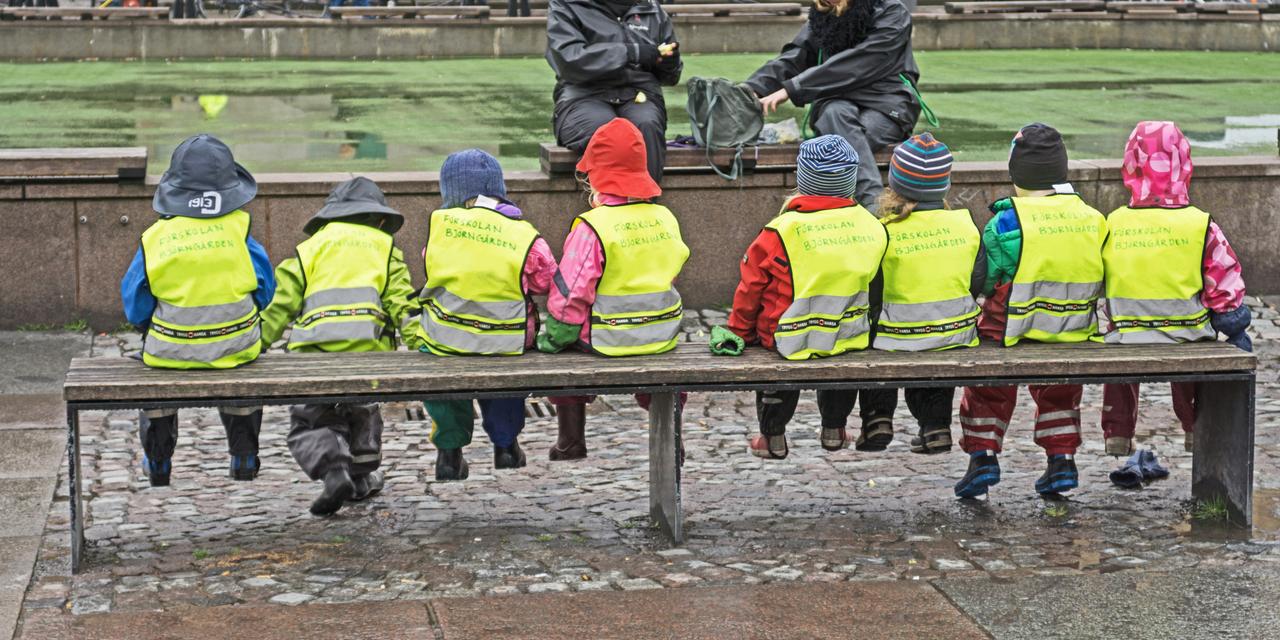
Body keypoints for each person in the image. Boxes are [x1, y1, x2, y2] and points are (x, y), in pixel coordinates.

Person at [709, 135, 892, 459]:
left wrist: (738, 332)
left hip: (784, 336)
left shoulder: (781, 230)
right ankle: (834, 428)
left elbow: (750, 289)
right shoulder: (872, 226)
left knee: (777, 365)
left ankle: (772, 436)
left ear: (804, 180)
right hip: (846, 332)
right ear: (849, 181)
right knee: (838, 359)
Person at [955, 124, 1108, 500]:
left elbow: (989, 281)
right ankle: (1061, 461)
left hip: (1008, 330)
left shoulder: (1005, 222)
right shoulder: (1092, 217)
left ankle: (983, 455)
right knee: (1060, 394)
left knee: (987, 388)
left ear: (1016, 173)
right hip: (1070, 329)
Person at [120, 134, 275, 487]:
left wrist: (159, 324)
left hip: (169, 348)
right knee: (241, 375)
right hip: (237, 345)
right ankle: (244, 457)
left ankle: (158, 462)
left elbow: (135, 303)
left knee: (156, 379)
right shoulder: (240, 231)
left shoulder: (156, 237)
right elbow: (265, 288)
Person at [258, 177, 416, 516]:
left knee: (310, 420)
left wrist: (255, 343)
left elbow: (279, 304)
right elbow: (403, 304)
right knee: (364, 409)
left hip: (312, 356)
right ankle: (361, 476)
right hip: (369, 354)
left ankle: (334, 471)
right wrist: (421, 344)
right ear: (379, 219)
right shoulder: (385, 247)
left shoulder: (309, 249)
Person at [537, 118, 690, 460]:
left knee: (564, 358)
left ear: (595, 176)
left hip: (607, 338)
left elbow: (570, 294)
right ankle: (672, 437)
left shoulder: (593, 227)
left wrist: (557, 336)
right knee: (666, 381)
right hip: (661, 335)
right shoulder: (664, 218)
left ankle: (571, 437)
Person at [1098, 121, 1252, 457]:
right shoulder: (1200, 223)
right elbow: (1226, 288)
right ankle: (1196, 425)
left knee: (1117, 344)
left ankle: (1118, 432)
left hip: (1128, 332)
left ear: (1130, 165)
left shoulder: (1113, 223)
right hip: (1189, 332)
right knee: (1221, 334)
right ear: (1183, 166)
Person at [404, 149, 558, 481]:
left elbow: (430, 265)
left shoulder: (440, 228)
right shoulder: (522, 232)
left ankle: (449, 452)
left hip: (447, 337)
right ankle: (506, 446)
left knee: (443, 384)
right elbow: (546, 280)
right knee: (506, 384)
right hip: (506, 339)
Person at [744, 0, 920, 208]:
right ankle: (875, 207)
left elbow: (861, 62)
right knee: (834, 115)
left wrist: (793, 88)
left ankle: (865, 206)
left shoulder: (892, 11)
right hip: (837, 104)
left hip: (886, 105)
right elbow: (795, 57)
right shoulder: (823, 13)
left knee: (839, 138)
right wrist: (752, 88)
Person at [874, 133, 984, 455]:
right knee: (940, 342)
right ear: (945, 185)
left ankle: (879, 418)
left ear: (894, 182)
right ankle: (936, 425)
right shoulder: (965, 225)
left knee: (907, 341)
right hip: (956, 331)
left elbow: (874, 289)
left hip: (897, 334)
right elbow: (978, 280)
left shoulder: (885, 230)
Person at [546, 0, 682, 183]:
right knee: (608, 133)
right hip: (583, 94)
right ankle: (609, 206)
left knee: (646, 126)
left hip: (639, 93)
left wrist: (669, 63)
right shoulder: (568, 4)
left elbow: (670, 77)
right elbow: (569, 59)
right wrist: (630, 52)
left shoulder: (651, 8)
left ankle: (644, 204)